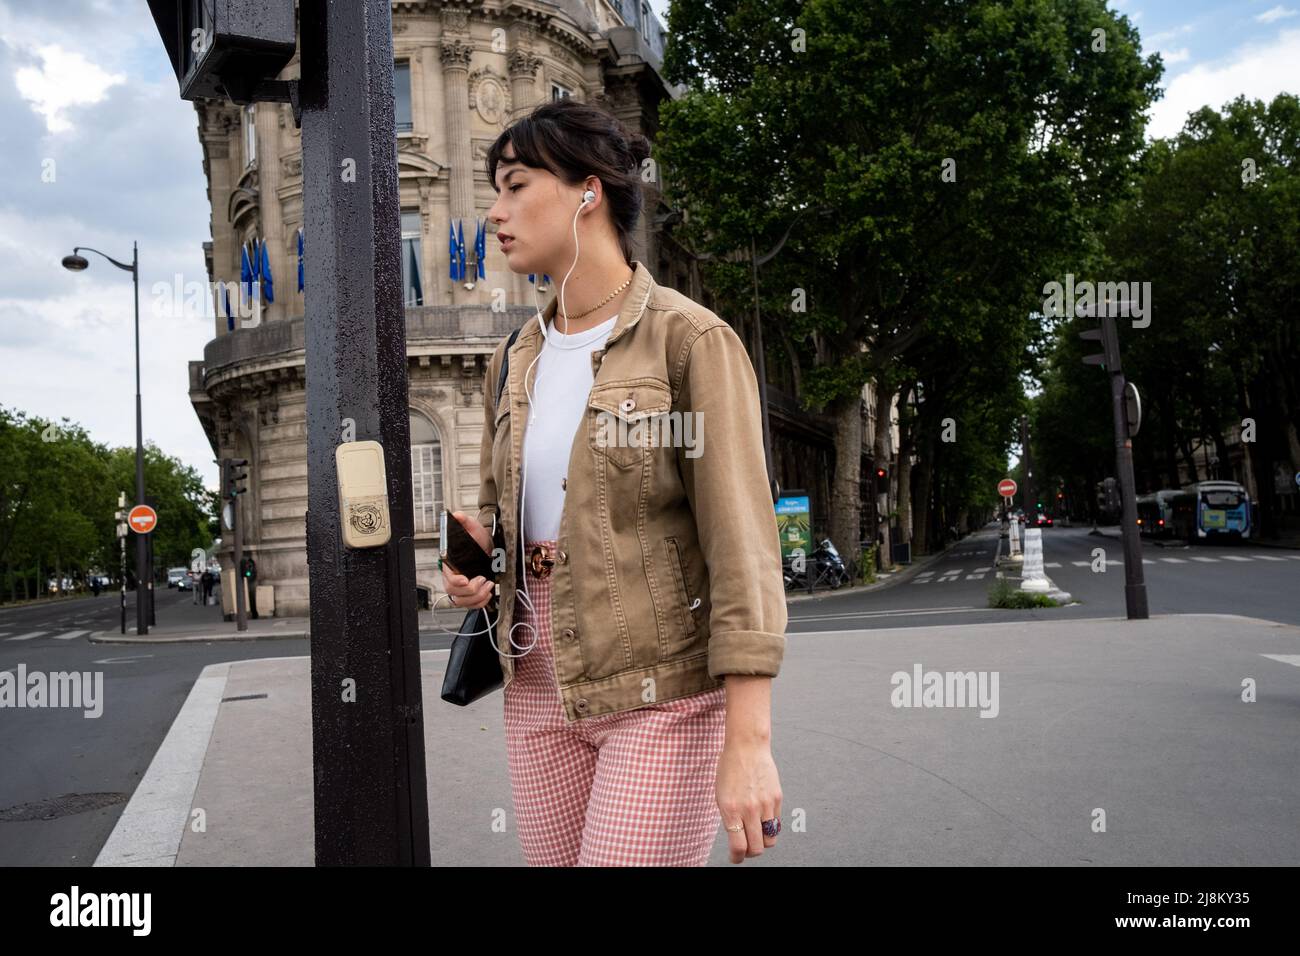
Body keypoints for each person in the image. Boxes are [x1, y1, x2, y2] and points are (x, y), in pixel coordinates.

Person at [441, 100, 787, 867]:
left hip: (656, 691)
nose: (493, 213)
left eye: (515, 185)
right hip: (533, 681)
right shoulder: (514, 359)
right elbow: (503, 517)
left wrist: (749, 742)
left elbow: (743, 548)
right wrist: (479, 568)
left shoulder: (689, 340)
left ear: (588, 192)